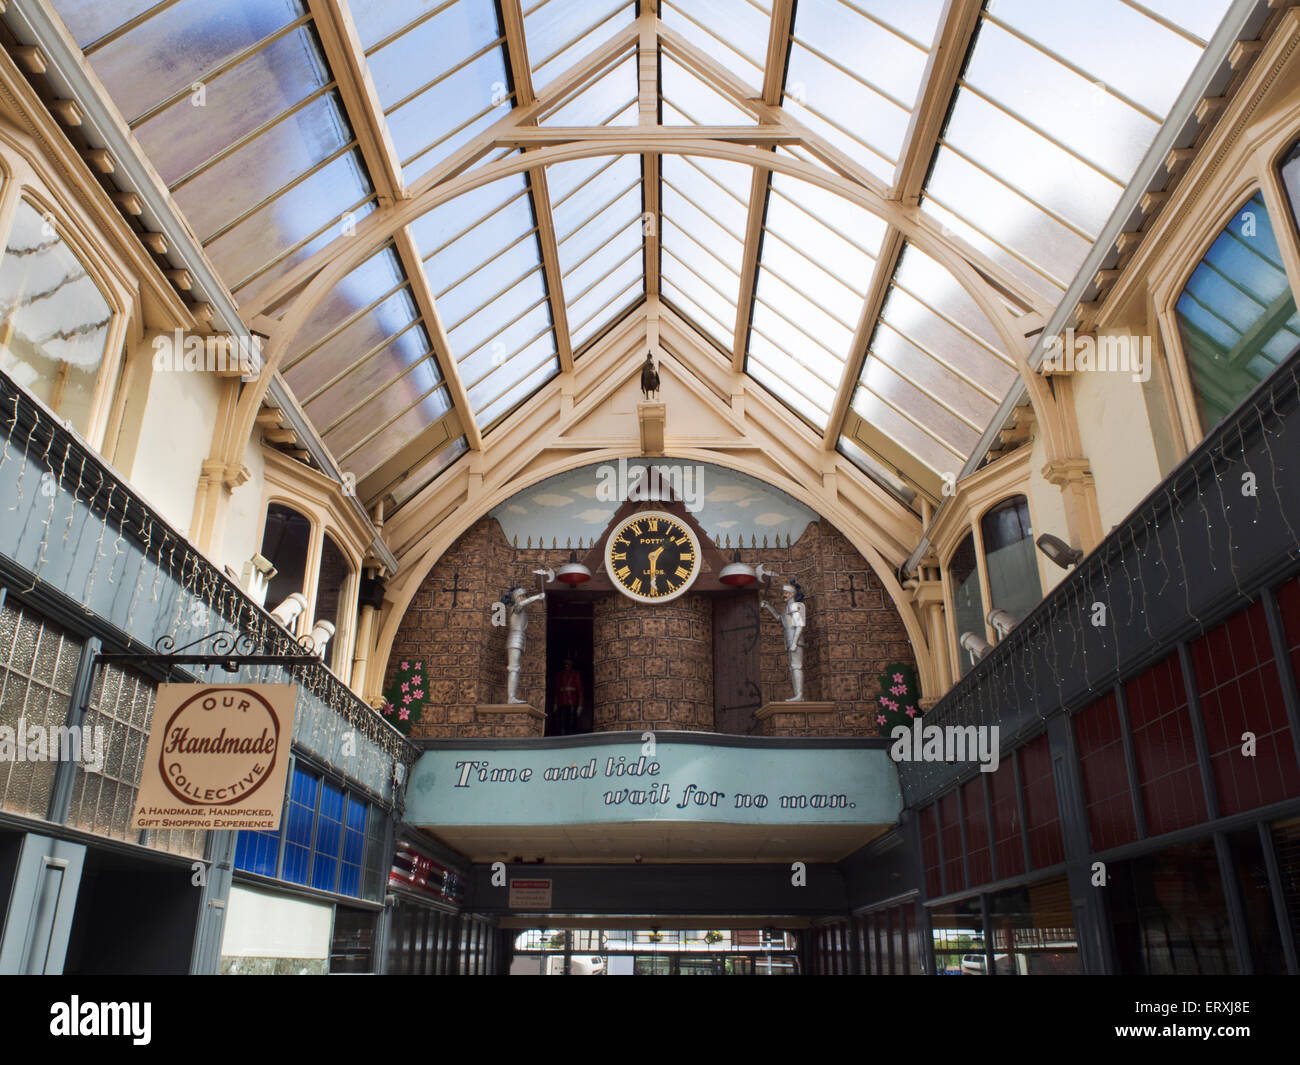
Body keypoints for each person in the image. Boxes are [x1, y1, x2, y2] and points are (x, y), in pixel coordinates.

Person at [761, 580, 806, 701]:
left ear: (791, 594)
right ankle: (798, 694)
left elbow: (800, 625)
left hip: (794, 641)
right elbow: (780, 619)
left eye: (785, 593)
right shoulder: (787, 609)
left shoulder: (797, 606)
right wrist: (768, 606)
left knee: (796, 666)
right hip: (789, 640)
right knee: (793, 667)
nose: (783, 595)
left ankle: (799, 695)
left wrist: (795, 642)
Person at [503, 584, 545, 703]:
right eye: (522, 596)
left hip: (519, 638)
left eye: (524, 596)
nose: (524, 598)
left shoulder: (519, 609)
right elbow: (521, 604)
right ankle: (511, 697)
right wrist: (537, 597)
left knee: (516, 668)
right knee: (514, 668)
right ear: (517, 597)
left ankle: (512, 696)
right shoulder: (515, 608)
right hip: (515, 638)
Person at [554, 657, 583, 735]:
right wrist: (555, 703)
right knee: (562, 722)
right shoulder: (559, 675)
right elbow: (556, 690)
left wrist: (580, 705)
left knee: (572, 721)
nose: (566, 665)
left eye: (568, 664)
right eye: (565, 664)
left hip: (572, 701)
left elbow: (580, 690)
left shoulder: (575, 674)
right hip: (562, 702)